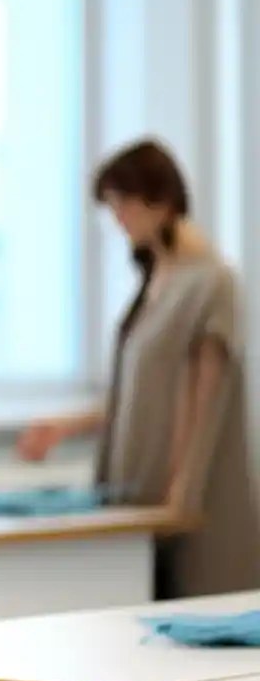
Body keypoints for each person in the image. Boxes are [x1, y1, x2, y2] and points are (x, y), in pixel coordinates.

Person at [18, 138, 260, 599]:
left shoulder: (212, 283)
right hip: (140, 506)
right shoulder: (154, 281)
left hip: (191, 513)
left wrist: (180, 500)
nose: (119, 220)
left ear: (162, 200)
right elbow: (138, 395)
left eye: (124, 204)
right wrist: (65, 426)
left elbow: (206, 401)